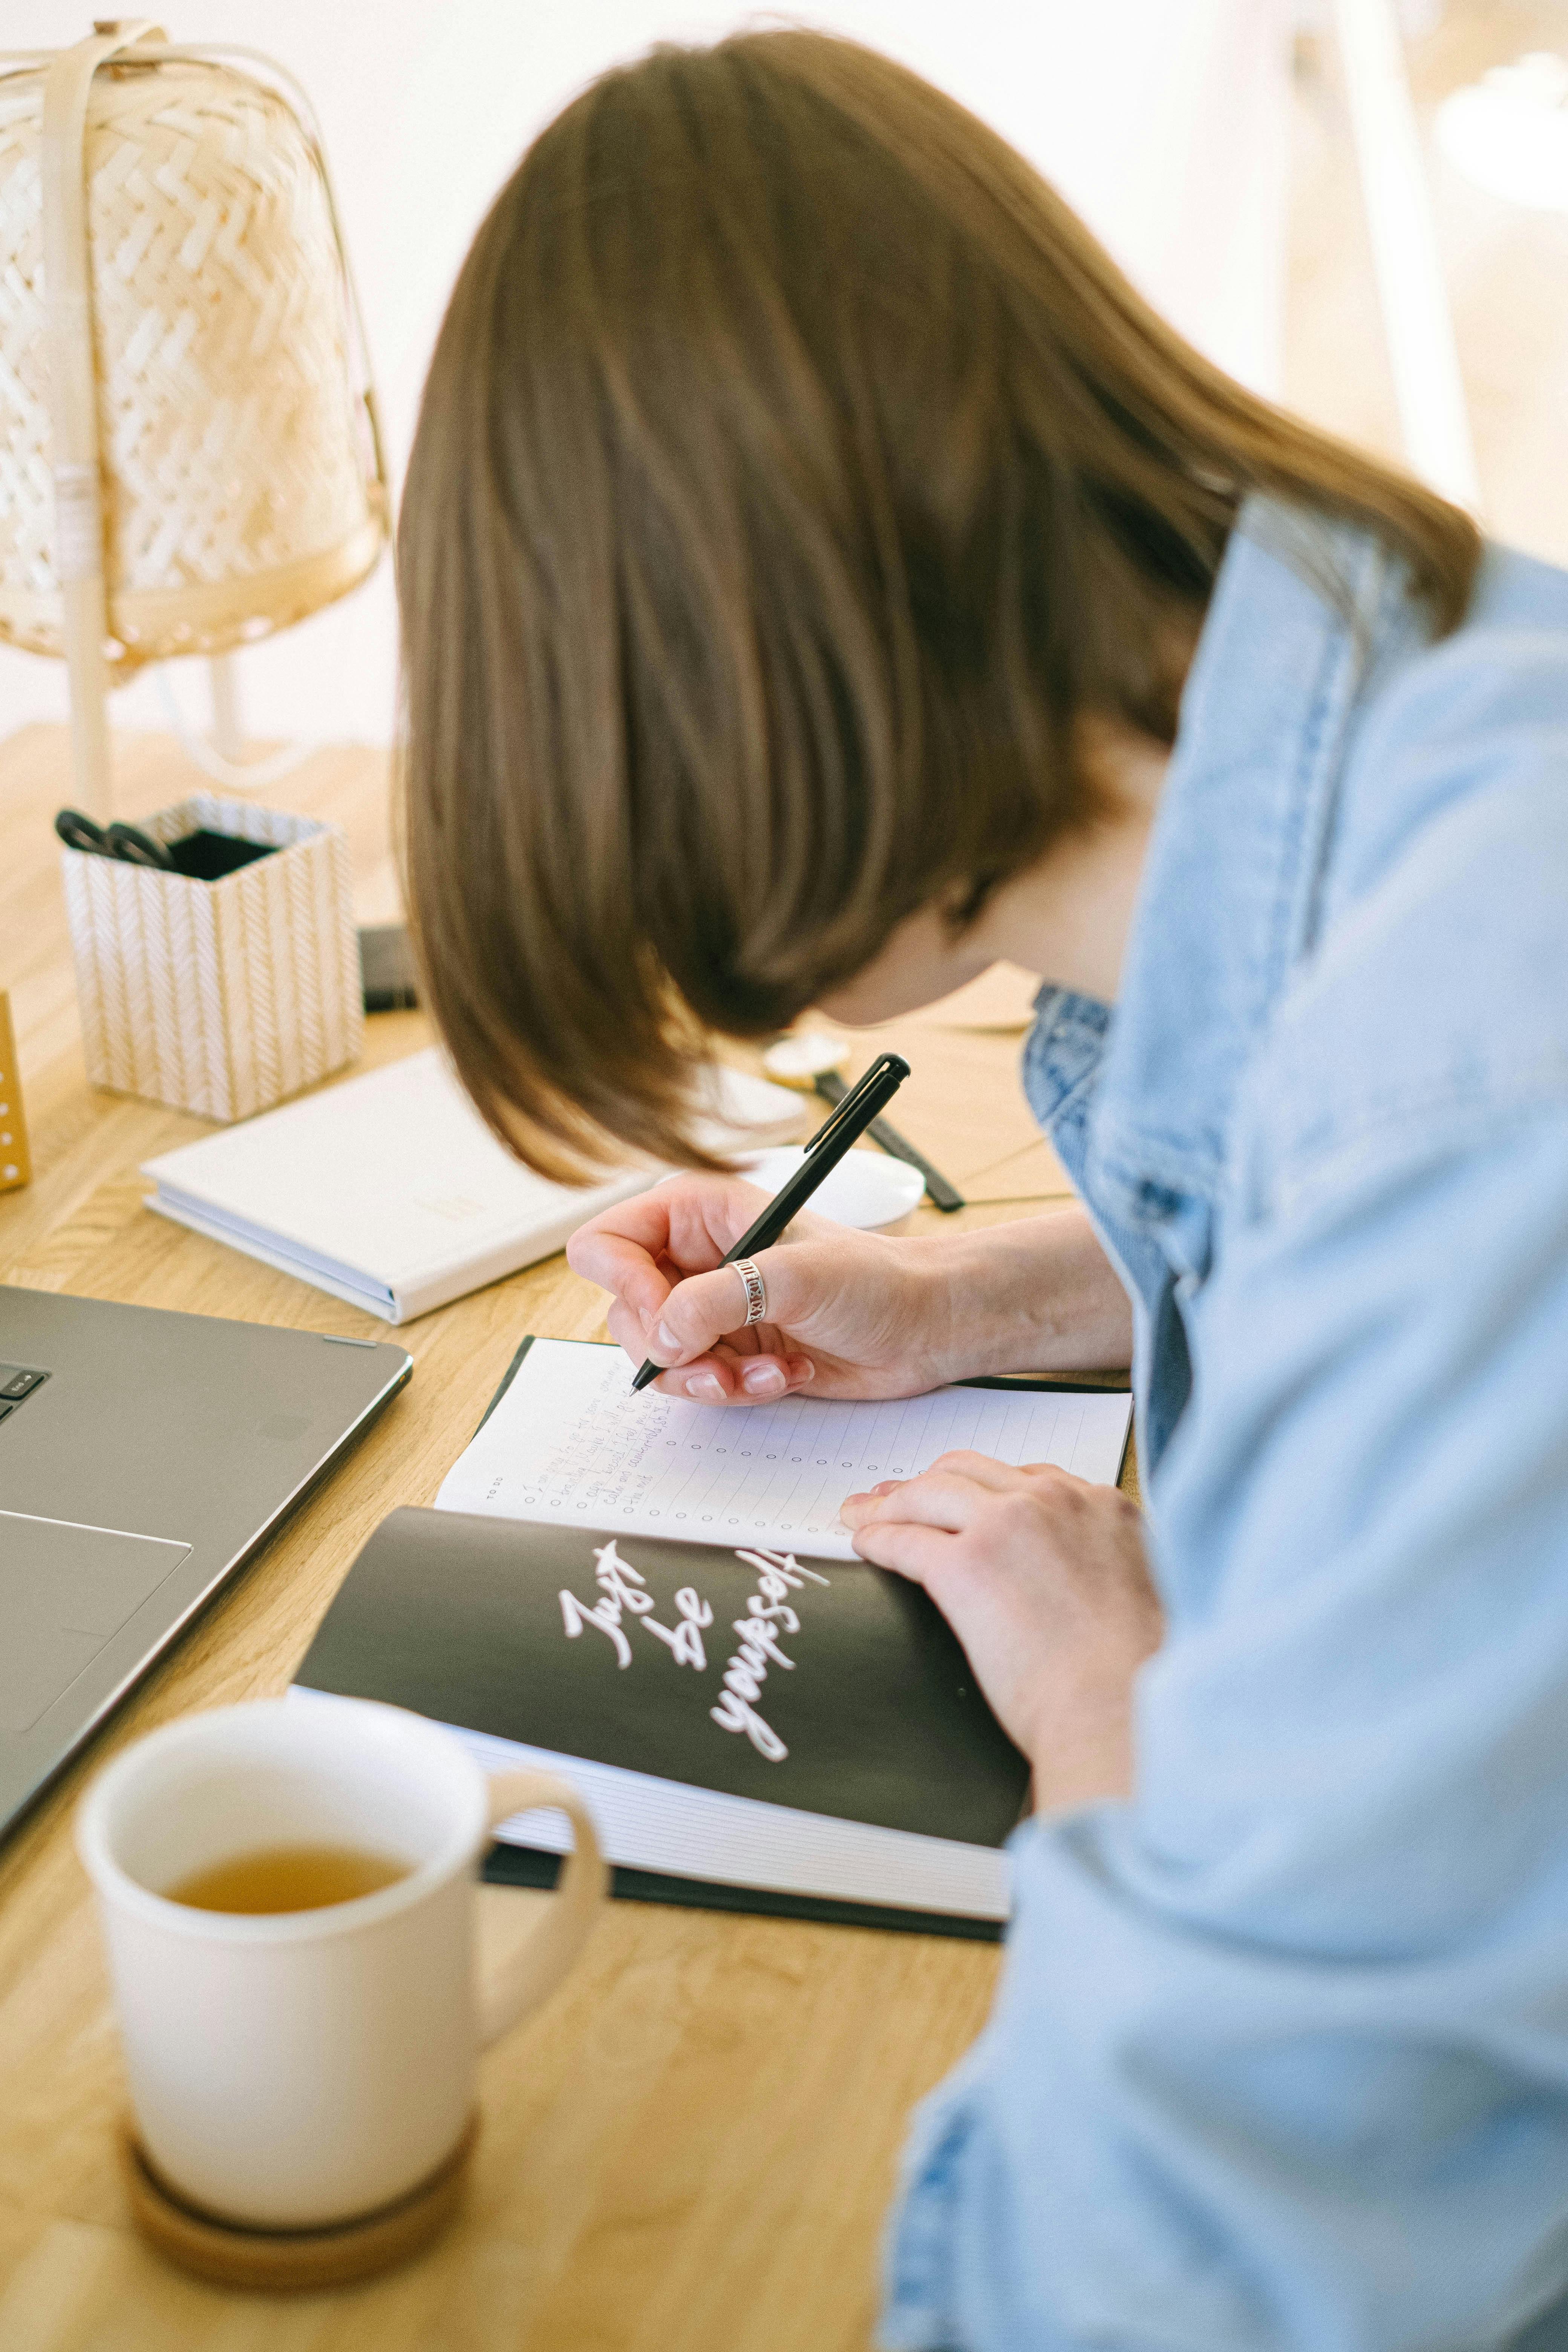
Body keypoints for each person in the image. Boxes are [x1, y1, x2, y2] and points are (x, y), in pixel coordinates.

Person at [396, 28, 1568, 2350]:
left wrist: (1129, 1722)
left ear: (739, 723)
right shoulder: (1432, 728)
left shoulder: (1465, 1098)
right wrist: (965, 1295)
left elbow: (1167, 2293)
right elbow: (1327, 1222)